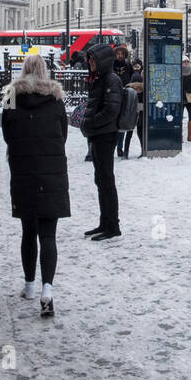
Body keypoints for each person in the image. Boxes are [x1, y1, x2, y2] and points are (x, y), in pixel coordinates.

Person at [1, 55, 70, 317]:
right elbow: (62, 135)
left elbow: (7, 134)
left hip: (23, 170)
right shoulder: (56, 97)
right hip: (51, 172)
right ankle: (47, 290)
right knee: (48, 234)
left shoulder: (10, 95)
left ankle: (29, 285)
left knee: (28, 231)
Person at [80, 42, 123, 240]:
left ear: (102, 60)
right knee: (101, 180)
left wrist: (92, 124)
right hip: (98, 135)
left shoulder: (111, 80)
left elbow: (110, 110)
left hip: (105, 135)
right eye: (89, 59)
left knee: (106, 180)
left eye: (92, 59)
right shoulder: (99, 79)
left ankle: (112, 225)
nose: (90, 62)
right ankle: (104, 222)